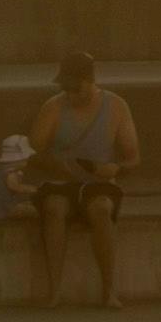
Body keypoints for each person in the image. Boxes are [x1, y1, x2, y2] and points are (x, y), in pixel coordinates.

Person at [25, 53, 139, 308]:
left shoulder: (116, 107)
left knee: (101, 209)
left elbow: (133, 157)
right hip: (60, 180)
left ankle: (109, 291)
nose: (70, 95)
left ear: (90, 81)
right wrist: (58, 166)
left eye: (75, 88)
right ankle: (54, 292)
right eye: (65, 89)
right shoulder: (53, 107)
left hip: (98, 181)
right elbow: (33, 151)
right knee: (54, 208)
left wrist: (113, 168)